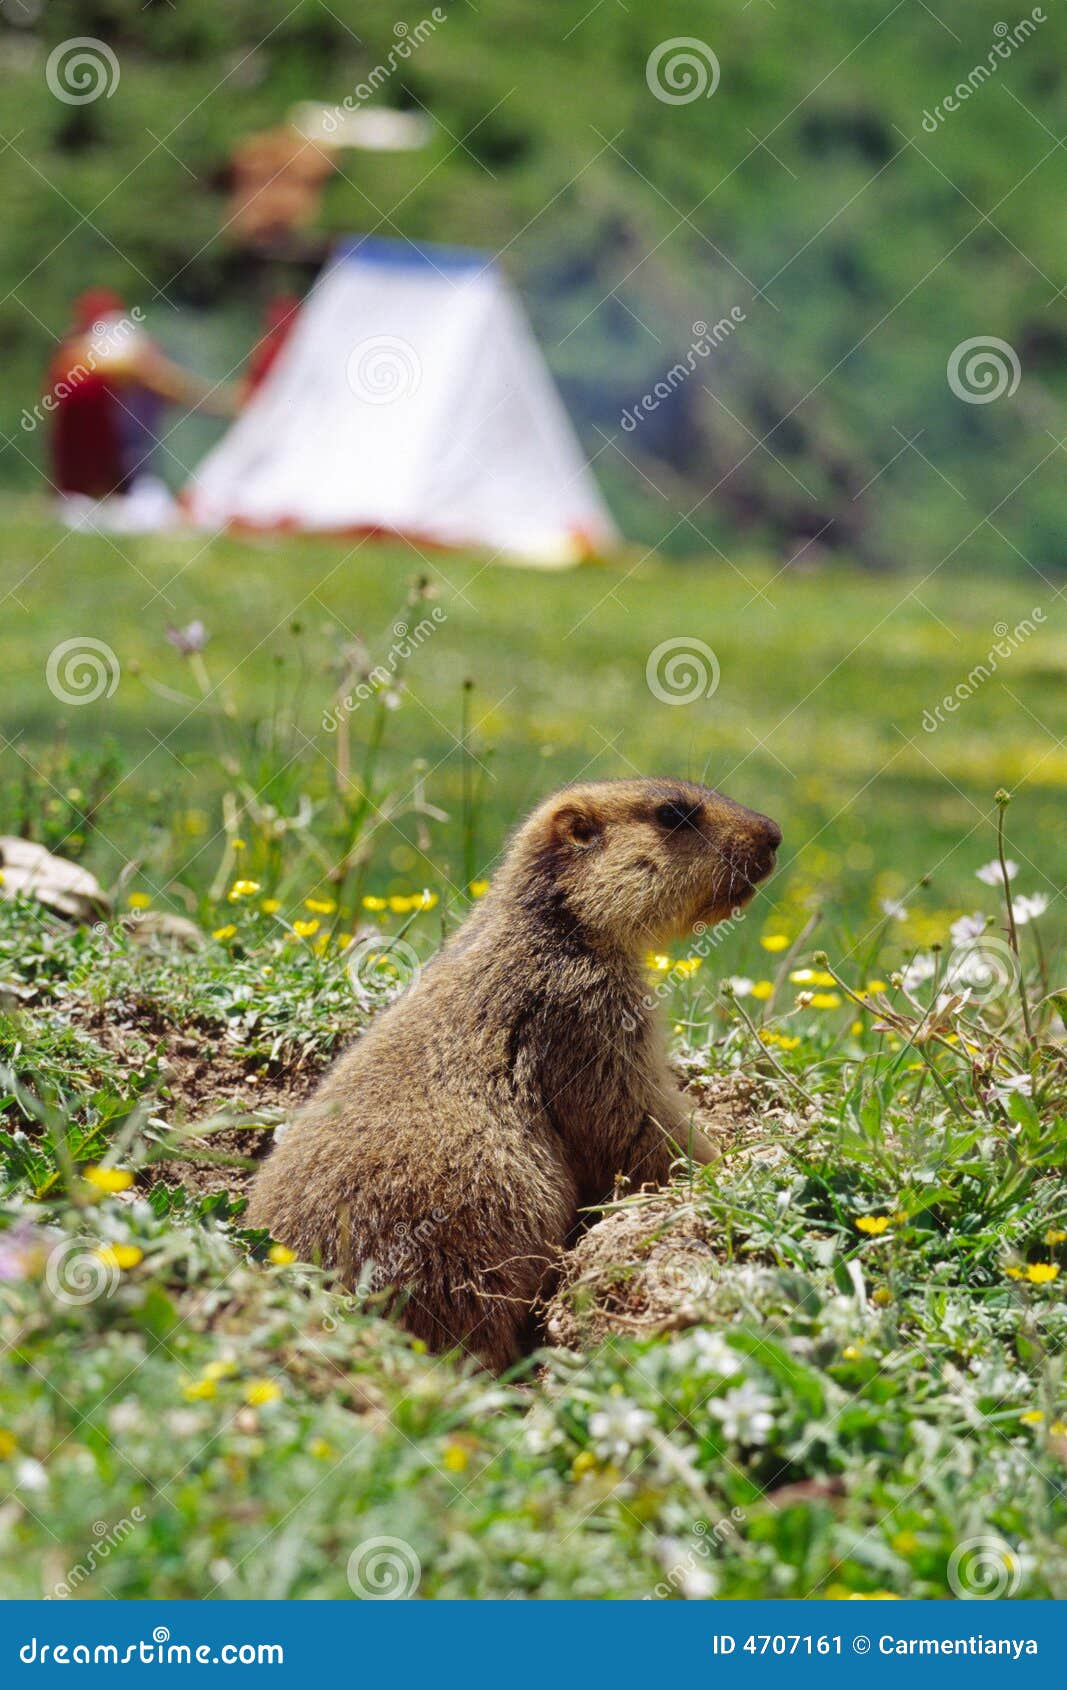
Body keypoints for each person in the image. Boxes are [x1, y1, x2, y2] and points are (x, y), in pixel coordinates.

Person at [48, 288, 235, 510]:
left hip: (107, 472)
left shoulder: (76, 352)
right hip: (101, 473)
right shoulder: (92, 355)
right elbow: (144, 370)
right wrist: (220, 402)